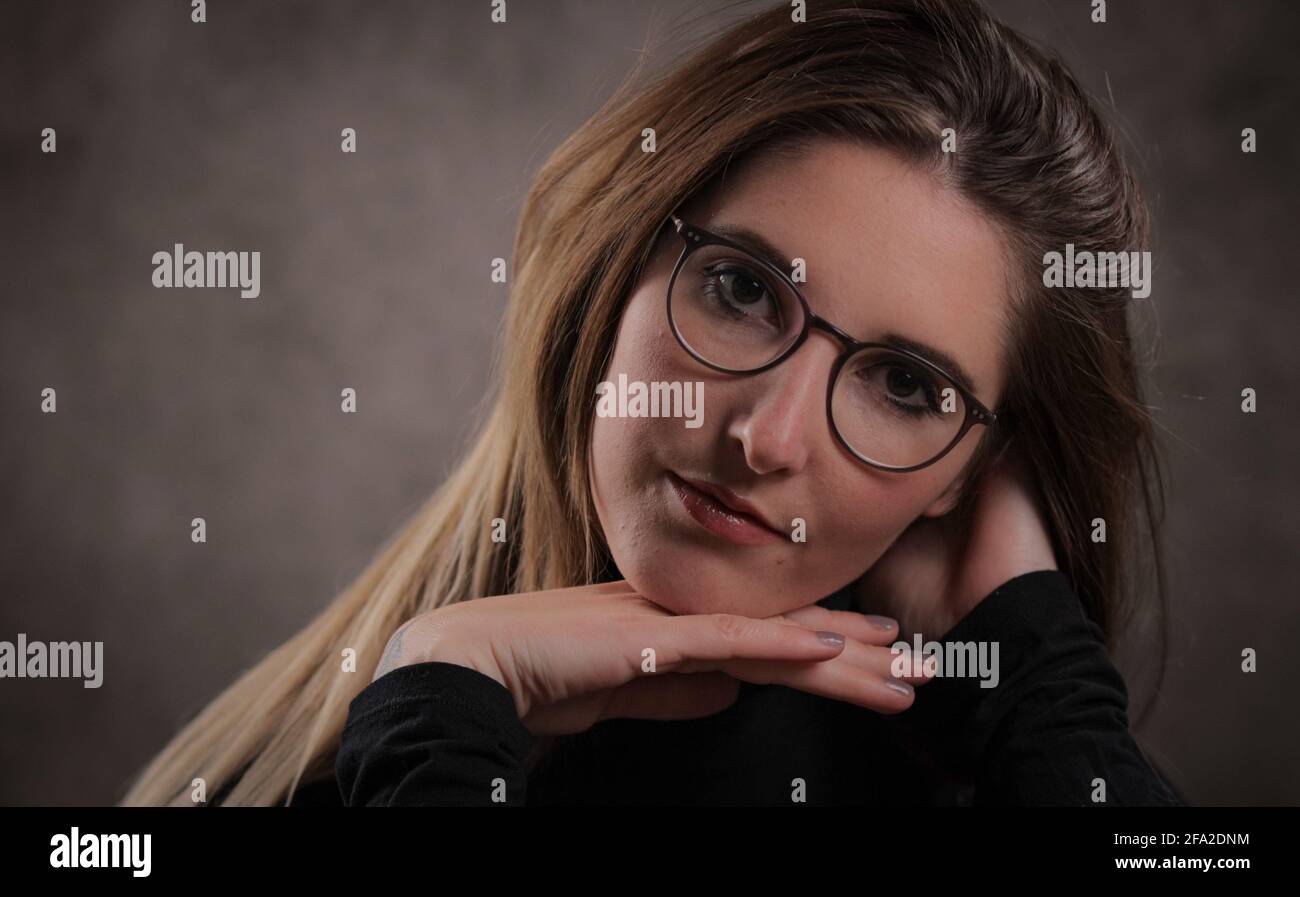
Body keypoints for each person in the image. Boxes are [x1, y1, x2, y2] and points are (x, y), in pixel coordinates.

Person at [122, 0, 1183, 807]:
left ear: (969, 472)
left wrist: (1045, 686)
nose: (761, 438)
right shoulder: (324, 738)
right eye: (742, 291)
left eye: (907, 386)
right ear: (618, 262)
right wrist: (445, 691)